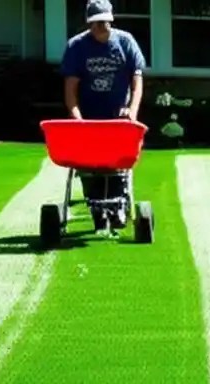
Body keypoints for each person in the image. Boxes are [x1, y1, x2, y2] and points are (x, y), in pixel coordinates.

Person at [60, 0, 146, 228]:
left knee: (117, 164)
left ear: (110, 20)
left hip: (118, 119)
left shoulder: (125, 43)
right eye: (95, 23)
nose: (100, 28)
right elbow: (71, 88)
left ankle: (117, 207)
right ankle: (97, 208)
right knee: (89, 167)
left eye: (104, 23)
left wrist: (132, 112)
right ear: (89, 24)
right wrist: (76, 117)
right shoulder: (77, 47)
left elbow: (137, 82)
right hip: (89, 119)